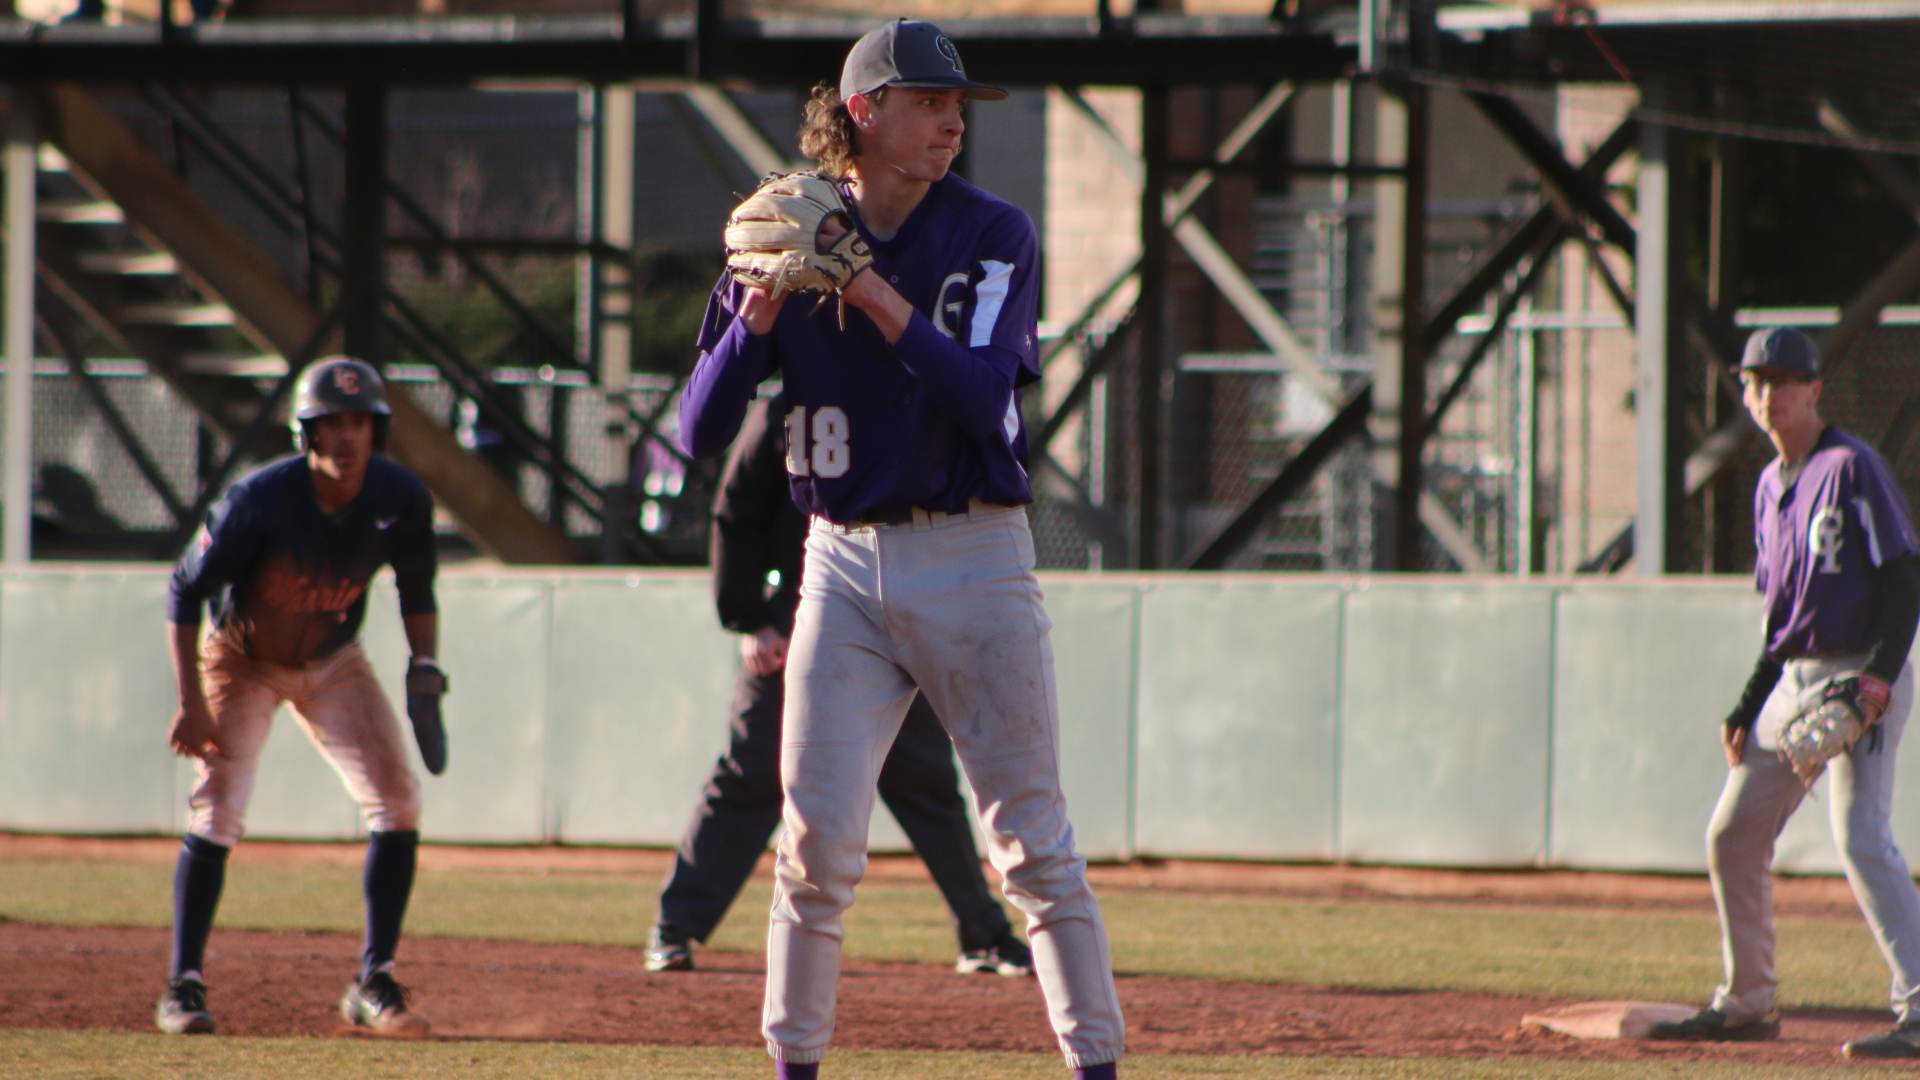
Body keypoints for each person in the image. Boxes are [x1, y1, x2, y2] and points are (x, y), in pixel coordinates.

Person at [678, 19, 1125, 1080]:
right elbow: (693, 435)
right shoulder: (788, 228)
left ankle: (1096, 1067)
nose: (952, 121)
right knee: (815, 846)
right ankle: (793, 1069)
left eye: (957, 104)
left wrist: (870, 290)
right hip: (837, 558)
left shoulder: (993, 230)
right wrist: (756, 314)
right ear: (865, 114)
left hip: (974, 555)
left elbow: (982, 400)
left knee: (1032, 847)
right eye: (928, 103)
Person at [643, 393, 1035, 979]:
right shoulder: (788, 401)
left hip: (899, 621)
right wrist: (748, 617)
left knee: (926, 781)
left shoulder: (905, 396)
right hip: (800, 623)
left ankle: (983, 935)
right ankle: (675, 927)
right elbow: (736, 512)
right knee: (752, 775)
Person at [1649, 327, 1920, 1059]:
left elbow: (1904, 580)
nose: (1767, 395)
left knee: (1861, 836)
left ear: (1813, 389)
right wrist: (1747, 703)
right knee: (1733, 833)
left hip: (1861, 667)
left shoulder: (1852, 467)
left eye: (1781, 380)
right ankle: (1748, 1002)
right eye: (1754, 382)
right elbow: (1781, 621)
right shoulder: (1769, 485)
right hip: (1795, 678)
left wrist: (1878, 681)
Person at [155, 355, 444, 1038]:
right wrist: (190, 698)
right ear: (305, 434)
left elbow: (417, 585)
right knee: (218, 810)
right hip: (242, 659)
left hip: (333, 659)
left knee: (397, 802)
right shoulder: (258, 501)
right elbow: (183, 588)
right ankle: (183, 987)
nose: (345, 437)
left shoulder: (399, 498)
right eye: (329, 423)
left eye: (358, 423)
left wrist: (426, 665)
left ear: (377, 431)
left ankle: (373, 980)